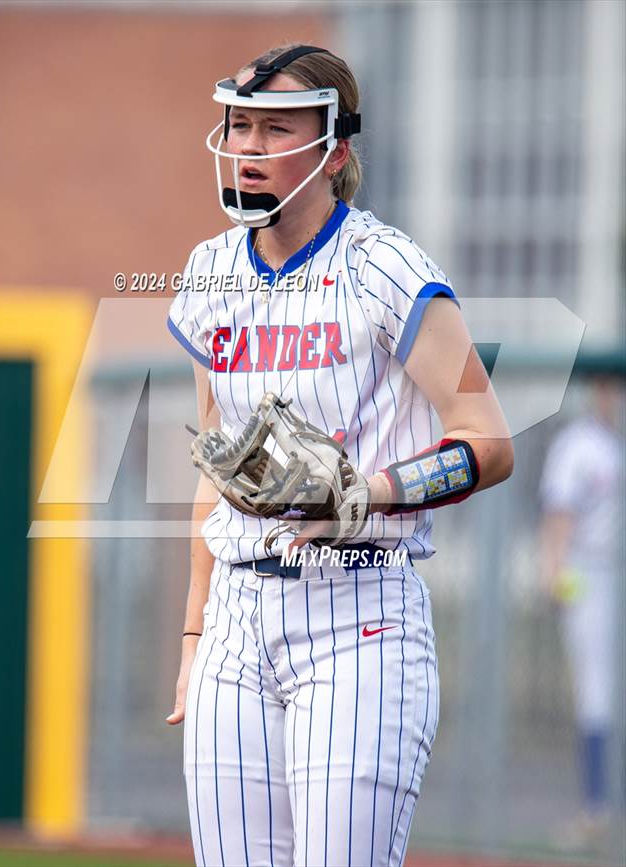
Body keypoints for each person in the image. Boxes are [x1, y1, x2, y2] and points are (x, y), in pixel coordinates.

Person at [165, 44, 514, 867]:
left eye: (273, 128)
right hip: (236, 626)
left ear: (334, 147)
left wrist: (370, 491)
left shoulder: (384, 268)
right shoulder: (209, 271)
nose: (247, 146)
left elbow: (489, 441)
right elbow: (212, 478)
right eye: (239, 125)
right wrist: (192, 638)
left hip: (359, 613)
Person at [539, 373, 624, 851]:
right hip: (588, 574)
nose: (611, 397)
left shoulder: (615, 443)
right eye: (606, 387)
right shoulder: (580, 444)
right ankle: (596, 808)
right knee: (595, 690)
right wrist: (553, 569)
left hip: (614, 572)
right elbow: (559, 512)